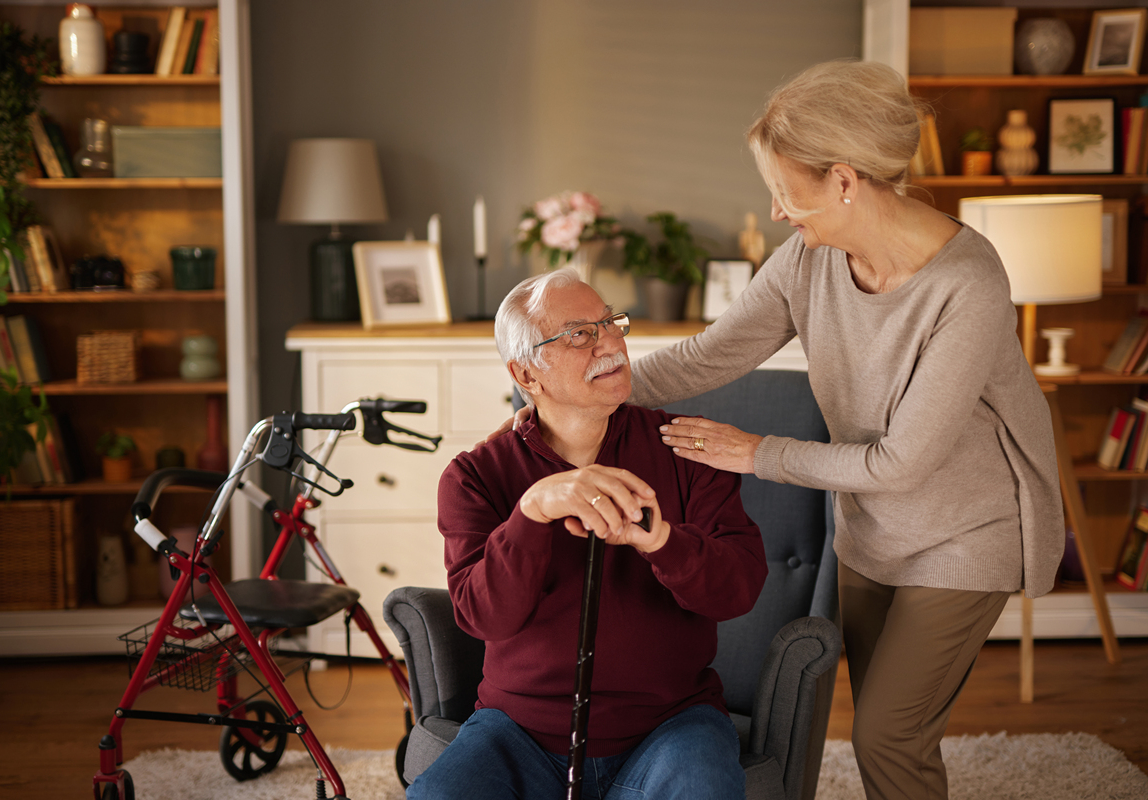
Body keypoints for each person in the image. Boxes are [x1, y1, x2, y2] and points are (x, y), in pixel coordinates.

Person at [629, 60, 1064, 799]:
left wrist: (756, 453)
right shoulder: (808, 260)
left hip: (967, 532)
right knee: (892, 741)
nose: (775, 214)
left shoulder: (969, 284)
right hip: (871, 532)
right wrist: (592, 383)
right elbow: (709, 356)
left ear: (843, 180)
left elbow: (901, 463)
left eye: (785, 193)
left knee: (887, 734)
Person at [409, 269, 768, 800]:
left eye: (610, 323)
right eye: (579, 333)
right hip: (518, 732)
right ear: (527, 376)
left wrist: (662, 541)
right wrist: (532, 512)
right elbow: (482, 615)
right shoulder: (474, 476)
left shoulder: (688, 450)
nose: (611, 343)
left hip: (671, 724)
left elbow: (738, 589)